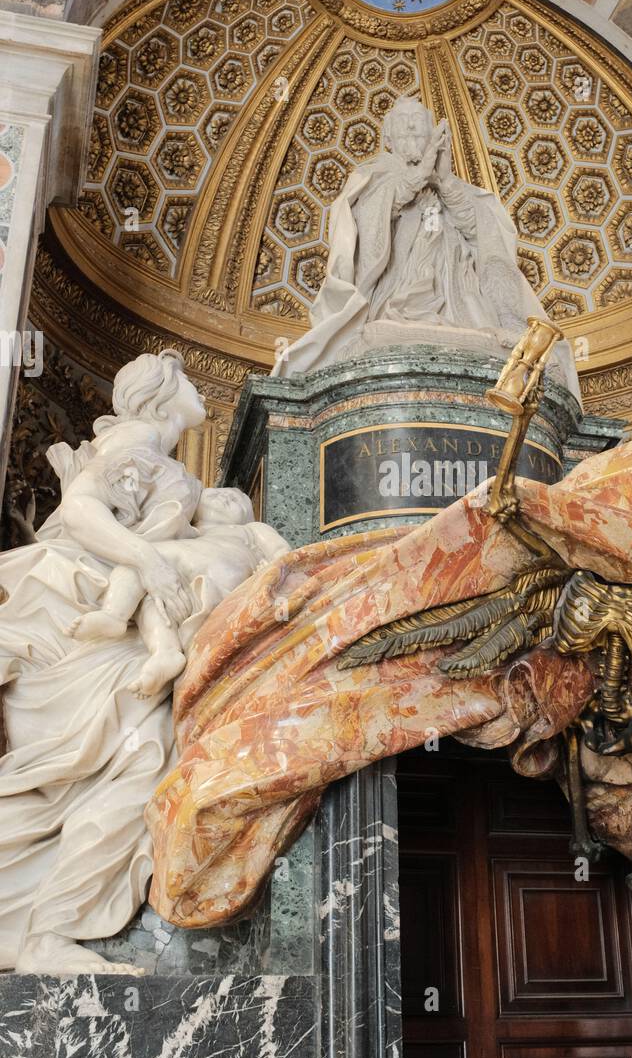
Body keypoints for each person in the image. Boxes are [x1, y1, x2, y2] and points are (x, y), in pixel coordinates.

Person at [0, 349, 285, 975]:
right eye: (186, 380)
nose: (199, 391)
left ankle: (47, 924)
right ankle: (48, 932)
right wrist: (149, 561)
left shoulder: (157, 458)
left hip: (110, 623)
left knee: (131, 767)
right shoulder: (136, 441)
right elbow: (82, 510)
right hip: (91, 629)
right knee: (141, 763)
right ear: (159, 393)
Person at [271, 96, 580, 398]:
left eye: (418, 121)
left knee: (501, 345)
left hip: (457, 297)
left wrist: (445, 182)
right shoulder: (372, 177)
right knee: (377, 336)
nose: (411, 127)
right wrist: (415, 178)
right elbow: (364, 231)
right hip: (393, 297)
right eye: (403, 122)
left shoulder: (455, 187)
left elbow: (485, 237)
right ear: (388, 138)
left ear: (433, 134)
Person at [69, 487, 289, 697]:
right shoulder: (189, 533)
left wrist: (273, 572)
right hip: (194, 589)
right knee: (154, 599)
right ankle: (165, 650)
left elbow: (282, 551)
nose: (226, 496)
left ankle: (114, 614)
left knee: (138, 563)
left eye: (238, 501)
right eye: (219, 491)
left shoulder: (250, 530)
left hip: (229, 571)